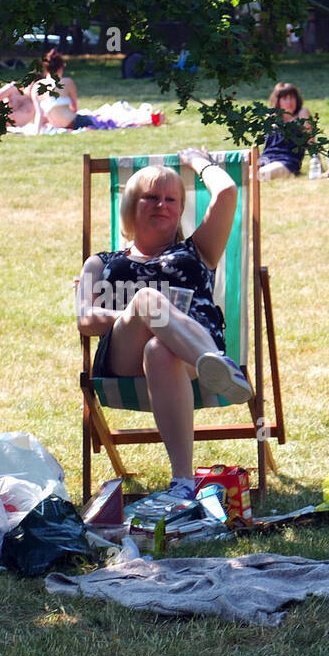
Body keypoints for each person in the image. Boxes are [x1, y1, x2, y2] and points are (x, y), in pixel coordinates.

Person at [76, 148, 254, 503]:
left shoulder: (200, 249)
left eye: (172, 199)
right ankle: (218, 364)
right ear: (130, 205)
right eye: (151, 197)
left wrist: (198, 162)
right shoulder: (101, 262)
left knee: (161, 350)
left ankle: (183, 483)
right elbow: (85, 319)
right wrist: (136, 316)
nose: (162, 205)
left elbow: (227, 192)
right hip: (124, 358)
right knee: (146, 301)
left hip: (184, 358)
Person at [258, 82, 312, 180]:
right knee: (242, 170)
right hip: (265, 159)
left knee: (261, 174)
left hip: (286, 161)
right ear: (278, 101)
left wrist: (318, 165)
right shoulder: (271, 118)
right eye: (285, 99)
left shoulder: (302, 115)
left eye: (292, 98)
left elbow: (311, 142)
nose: (289, 102)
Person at [33, 49, 94, 129]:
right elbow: (74, 108)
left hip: (54, 124)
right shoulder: (67, 82)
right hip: (72, 122)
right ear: (61, 67)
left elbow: (39, 113)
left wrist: (37, 131)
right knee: (90, 121)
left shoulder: (37, 86)